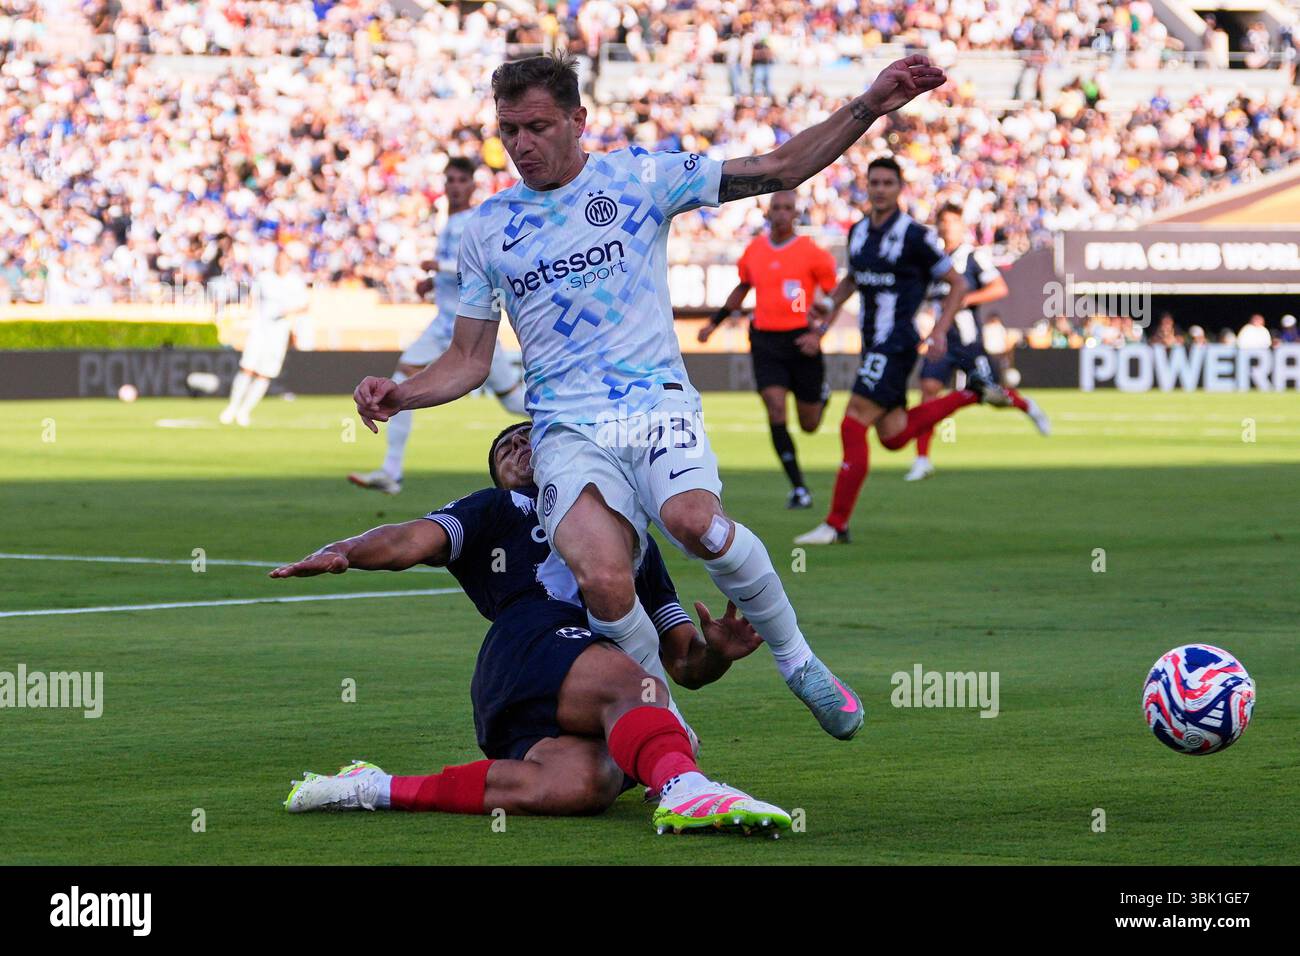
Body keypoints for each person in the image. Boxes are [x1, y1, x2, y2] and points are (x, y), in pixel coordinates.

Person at [353, 52, 949, 741]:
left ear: (579, 120)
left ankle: (800, 662)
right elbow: (468, 359)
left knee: (694, 521)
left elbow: (780, 167)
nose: (520, 144)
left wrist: (871, 103)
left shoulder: (641, 177)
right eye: (508, 129)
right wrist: (402, 393)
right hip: (567, 430)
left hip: (653, 404)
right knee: (605, 581)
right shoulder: (490, 228)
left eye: (537, 126)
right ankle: (667, 726)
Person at [277, 422, 790, 835]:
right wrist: (347, 551)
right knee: (634, 684)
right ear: (499, 476)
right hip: (529, 644)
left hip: (574, 685)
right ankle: (685, 787)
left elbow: (682, 663)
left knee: (581, 787)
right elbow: (409, 539)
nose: (520, 447)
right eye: (507, 448)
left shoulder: (632, 541)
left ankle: (374, 787)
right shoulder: (500, 508)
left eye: (529, 437)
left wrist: (716, 653)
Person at [792, 156, 1002, 546]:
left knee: (852, 421)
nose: (880, 189)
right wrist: (826, 312)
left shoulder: (915, 236)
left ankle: (836, 524)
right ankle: (971, 394)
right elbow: (852, 281)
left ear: (900, 189)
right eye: (875, 182)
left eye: (888, 183)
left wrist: (938, 331)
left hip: (897, 343)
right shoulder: (857, 233)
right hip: (872, 342)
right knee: (892, 433)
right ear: (867, 187)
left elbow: (956, 284)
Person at [349, 158, 526, 495]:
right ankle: (391, 470)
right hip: (446, 321)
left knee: (514, 401)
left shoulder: (473, 220)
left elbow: (481, 263)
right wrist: (433, 282)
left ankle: (565, 410)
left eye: (461, 180)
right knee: (400, 381)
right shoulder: (448, 222)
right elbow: (460, 273)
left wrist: (438, 266)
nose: (454, 186)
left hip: (468, 322)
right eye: (449, 180)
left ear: (473, 185)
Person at [698, 191, 837, 508]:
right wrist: (714, 323)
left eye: (788, 208)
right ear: (768, 212)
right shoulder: (755, 250)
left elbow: (834, 298)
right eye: (776, 207)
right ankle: (799, 487)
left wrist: (819, 333)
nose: (782, 213)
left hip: (802, 340)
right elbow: (742, 288)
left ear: (796, 214)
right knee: (775, 407)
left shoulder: (814, 254)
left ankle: (821, 396)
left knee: (810, 424)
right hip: (765, 340)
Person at [904, 203, 1049, 482]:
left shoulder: (973, 257)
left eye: (953, 222)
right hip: (941, 340)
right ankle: (922, 459)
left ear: (962, 225)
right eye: (943, 222)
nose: (947, 227)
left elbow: (999, 287)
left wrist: (965, 299)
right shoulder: (933, 260)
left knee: (992, 394)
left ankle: (1027, 407)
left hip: (969, 341)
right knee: (928, 389)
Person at [220, 249, 309, 427]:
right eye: (279, 260)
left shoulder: (296, 282)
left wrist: (289, 313)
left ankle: (244, 412)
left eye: (285, 261)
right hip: (260, 329)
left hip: (279, 333)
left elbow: (305, 306)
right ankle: (232, 408)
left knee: (264, 374)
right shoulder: (264, 278)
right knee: (247, 367)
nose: (281, 264)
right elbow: (251, 299)